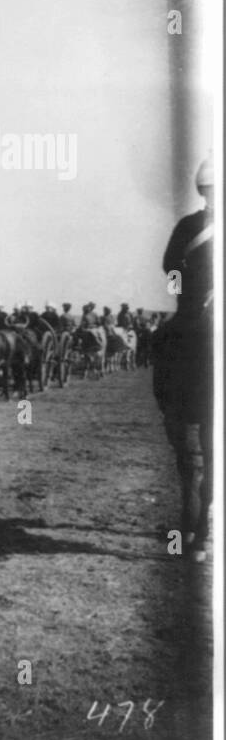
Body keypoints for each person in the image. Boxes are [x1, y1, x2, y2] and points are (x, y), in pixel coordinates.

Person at [154, 157, 214, 559]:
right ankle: (204, 528)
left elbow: (169, 267)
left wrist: (184, 296)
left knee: (162, 341)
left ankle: (191, 526)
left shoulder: (189, 225)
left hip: (192, 314)